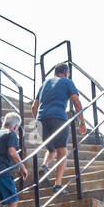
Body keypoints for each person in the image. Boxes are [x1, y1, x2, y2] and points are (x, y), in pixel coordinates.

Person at [31, 63, 85, 191]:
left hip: (41, 120)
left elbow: (34, 106)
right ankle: (58, 185)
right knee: (62, 150)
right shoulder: (67, 82)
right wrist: (81, 122)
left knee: (51, 149)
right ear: (66, 72)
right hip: (58, 118)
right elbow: (76, 101)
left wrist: (38, 122)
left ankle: (44, 166)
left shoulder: (44, 84)